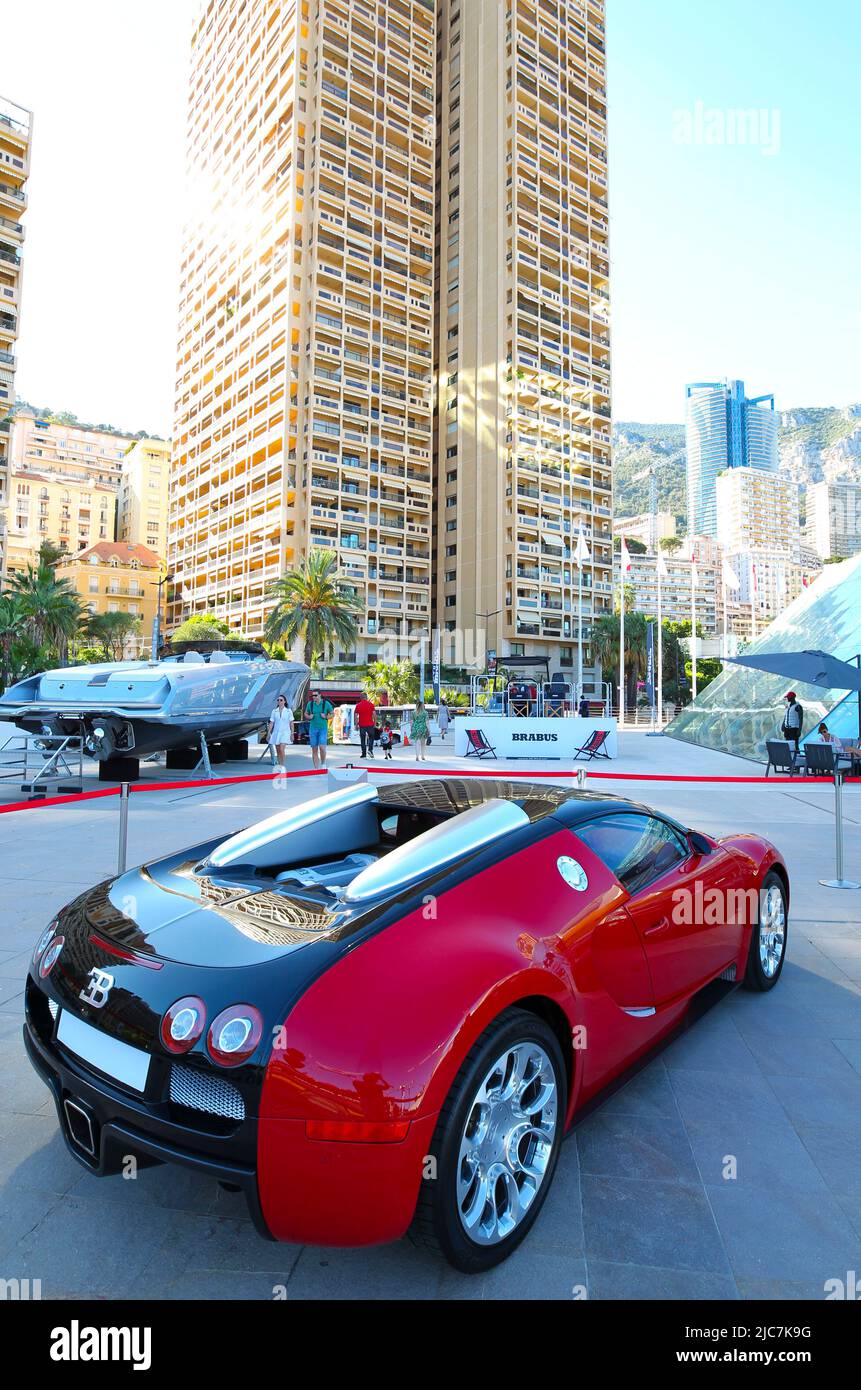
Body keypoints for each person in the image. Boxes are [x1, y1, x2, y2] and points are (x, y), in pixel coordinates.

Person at [304, 689, 334, 769]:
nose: (314, 697)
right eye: (313, 695)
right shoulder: (310, 704)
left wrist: (326, 716)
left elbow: (332, 714)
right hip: (313, 729)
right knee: (314, 749)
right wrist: (309, 717)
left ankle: (323, 764)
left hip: (323, 729)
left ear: (320, 695)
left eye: (316, 695)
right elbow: (306, 713)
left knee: (322, 747)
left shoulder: (326, 704)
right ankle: (316, 769)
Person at [267, 694, 294, 768]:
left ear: (284, 701)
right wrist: (269, 733)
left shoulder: (288, 711)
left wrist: (292, 733)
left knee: (282, 749)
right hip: (276, 732)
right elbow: (271, 722)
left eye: (281, 700)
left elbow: (291, 723)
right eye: (278, 700)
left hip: (285, 732)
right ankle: (279, 765)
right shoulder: (274, 711)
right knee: (278, 750)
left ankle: (282, 765)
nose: (279, 701)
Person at [354, 692, 377, 758]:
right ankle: (370, 750)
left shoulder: (358, 705)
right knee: (371, 738)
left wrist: (356, 725)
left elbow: (355, 715)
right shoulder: (371, 705)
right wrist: (374, 723)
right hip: (370, 725)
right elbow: (374, 715)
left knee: (363, 740)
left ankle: (363, 754)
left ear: (360, 698)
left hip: (362, 725)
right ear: (366, 697)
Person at [782, 691, 804, 756]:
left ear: (793, 697)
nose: (787, 698)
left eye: (788, 697)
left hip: (794, 729)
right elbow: (786, 716)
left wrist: (799, 730)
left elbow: (801, 718)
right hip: (787, 728)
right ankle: (790, 761)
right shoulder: (788, 707)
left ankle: (797, 761)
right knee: (788, 745)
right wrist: (783, 724)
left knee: (795, 746)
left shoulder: (798, 706)